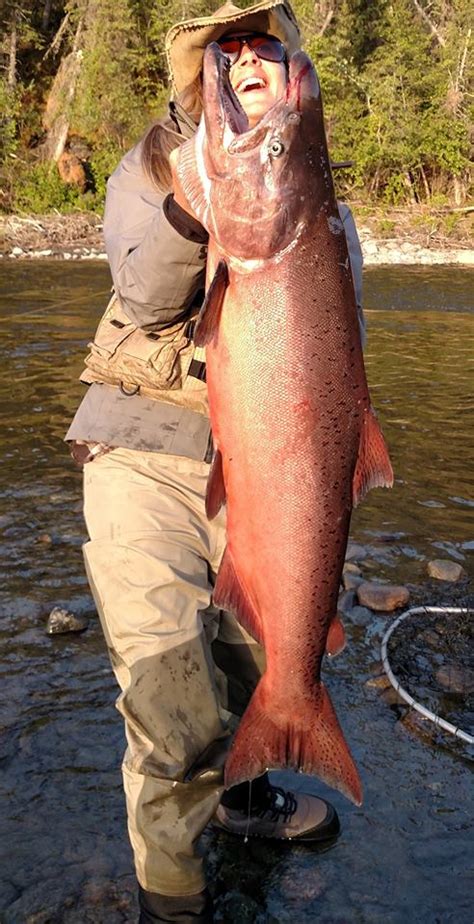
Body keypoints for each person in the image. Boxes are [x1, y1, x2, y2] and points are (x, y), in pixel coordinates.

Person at [66, 1, 365, 921]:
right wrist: (198, 205)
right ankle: (171, 890)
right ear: (200, 72)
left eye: (262, 46)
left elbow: (341, 371)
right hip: (144, 447)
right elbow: (145, 295)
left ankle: (243, 796)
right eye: (222, 48)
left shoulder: (319, 205)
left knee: (253, 656)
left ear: (290, 73)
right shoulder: (153, 169)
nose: (242, 59)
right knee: (169, 691)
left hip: (262, 457)